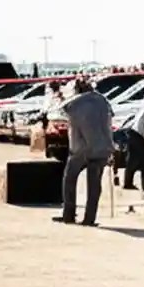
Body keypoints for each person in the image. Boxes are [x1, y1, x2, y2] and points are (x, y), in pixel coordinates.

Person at [55, 79, 113, 226]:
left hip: (80, 148)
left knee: (69, 180)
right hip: (102, 147)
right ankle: (89, 218)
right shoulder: (103, 101)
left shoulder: (75, 104)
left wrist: (60, 96)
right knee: (94, 186)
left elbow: (60, 112)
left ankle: (68, 214)